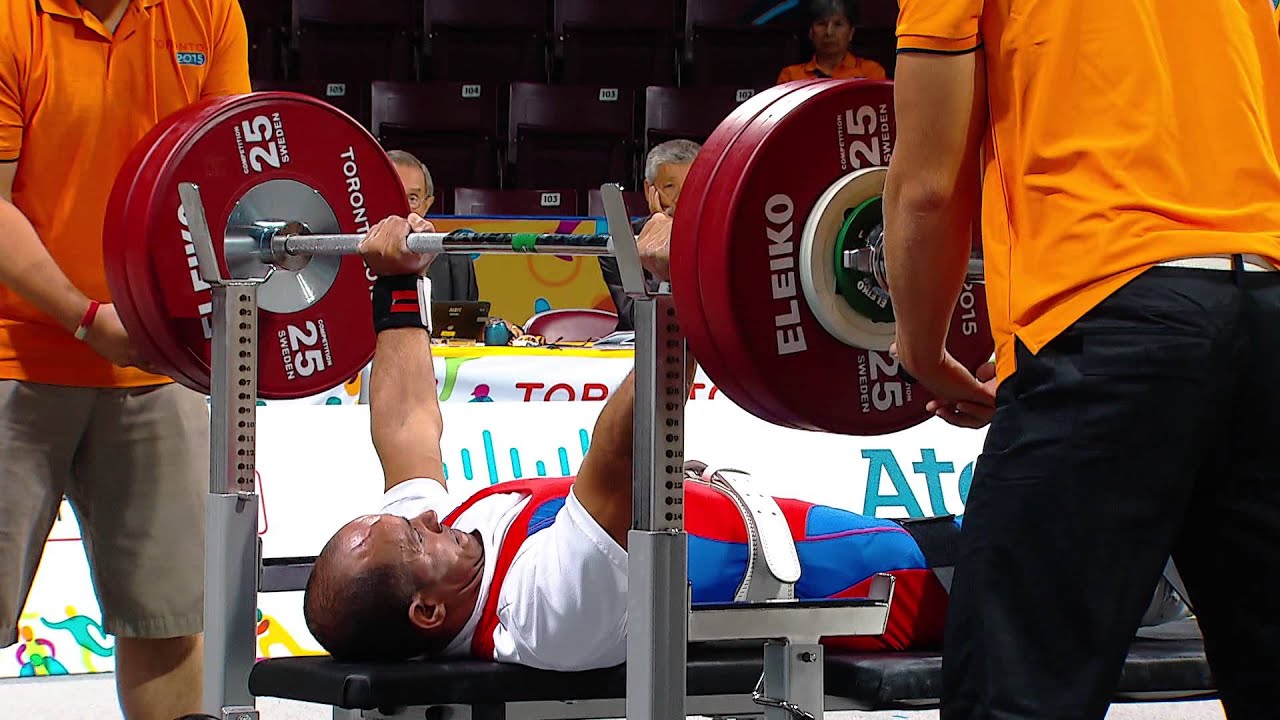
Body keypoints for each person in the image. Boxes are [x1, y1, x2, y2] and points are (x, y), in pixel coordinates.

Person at [299, 214, 1191, 668]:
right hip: (882, 595)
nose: (421, 519)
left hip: (841, 532)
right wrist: (671, 296)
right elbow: (620, 460)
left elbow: (408, 429)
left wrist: (391, 284)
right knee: (1126, 572)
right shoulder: (536, 613)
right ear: (428, 612)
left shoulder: (434, 553)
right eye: (414, 538)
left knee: (1074, 509)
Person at [882, 1, 1280, 718]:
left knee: (1013, 691)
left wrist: (922, 349)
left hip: (1108, 317)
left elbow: (928, 189)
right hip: (1264, 306)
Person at [0, 0, 250, 717]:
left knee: (166, 621)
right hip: (12, 356)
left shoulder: (206, 12)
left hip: (154, 364)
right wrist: (85, 319)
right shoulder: (12, 22)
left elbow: (225, 167)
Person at [597, 139, 697, 332]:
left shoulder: (722, 241)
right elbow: (638, 319)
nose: (682, 197)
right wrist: (664, 255)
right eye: (670, 187)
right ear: (648, 190)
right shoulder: (622, 243)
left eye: (693, 185)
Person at [386, 149, 480, 304]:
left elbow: (469, 326)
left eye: (412, 198)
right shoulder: (345, 260)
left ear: (426, 205)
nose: (401, 207)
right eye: (392, 193)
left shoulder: (457, 267)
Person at [776, 0, 886, 85]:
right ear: (810, 32)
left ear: (851, 33)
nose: (829, 32)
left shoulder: (871, 72)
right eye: (821, 24)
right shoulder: (790, 76)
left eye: (838, 24)